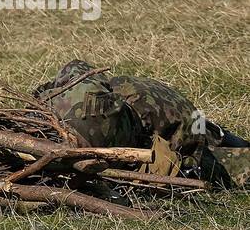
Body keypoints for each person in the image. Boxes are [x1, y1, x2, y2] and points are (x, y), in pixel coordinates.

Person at [36, 59, 249, 188]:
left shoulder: (167, 134)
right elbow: (76, 66)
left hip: (170, 126)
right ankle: (221, 138)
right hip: (149, 108)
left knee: (208, 155)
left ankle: (222, 139)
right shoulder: (72, 98)